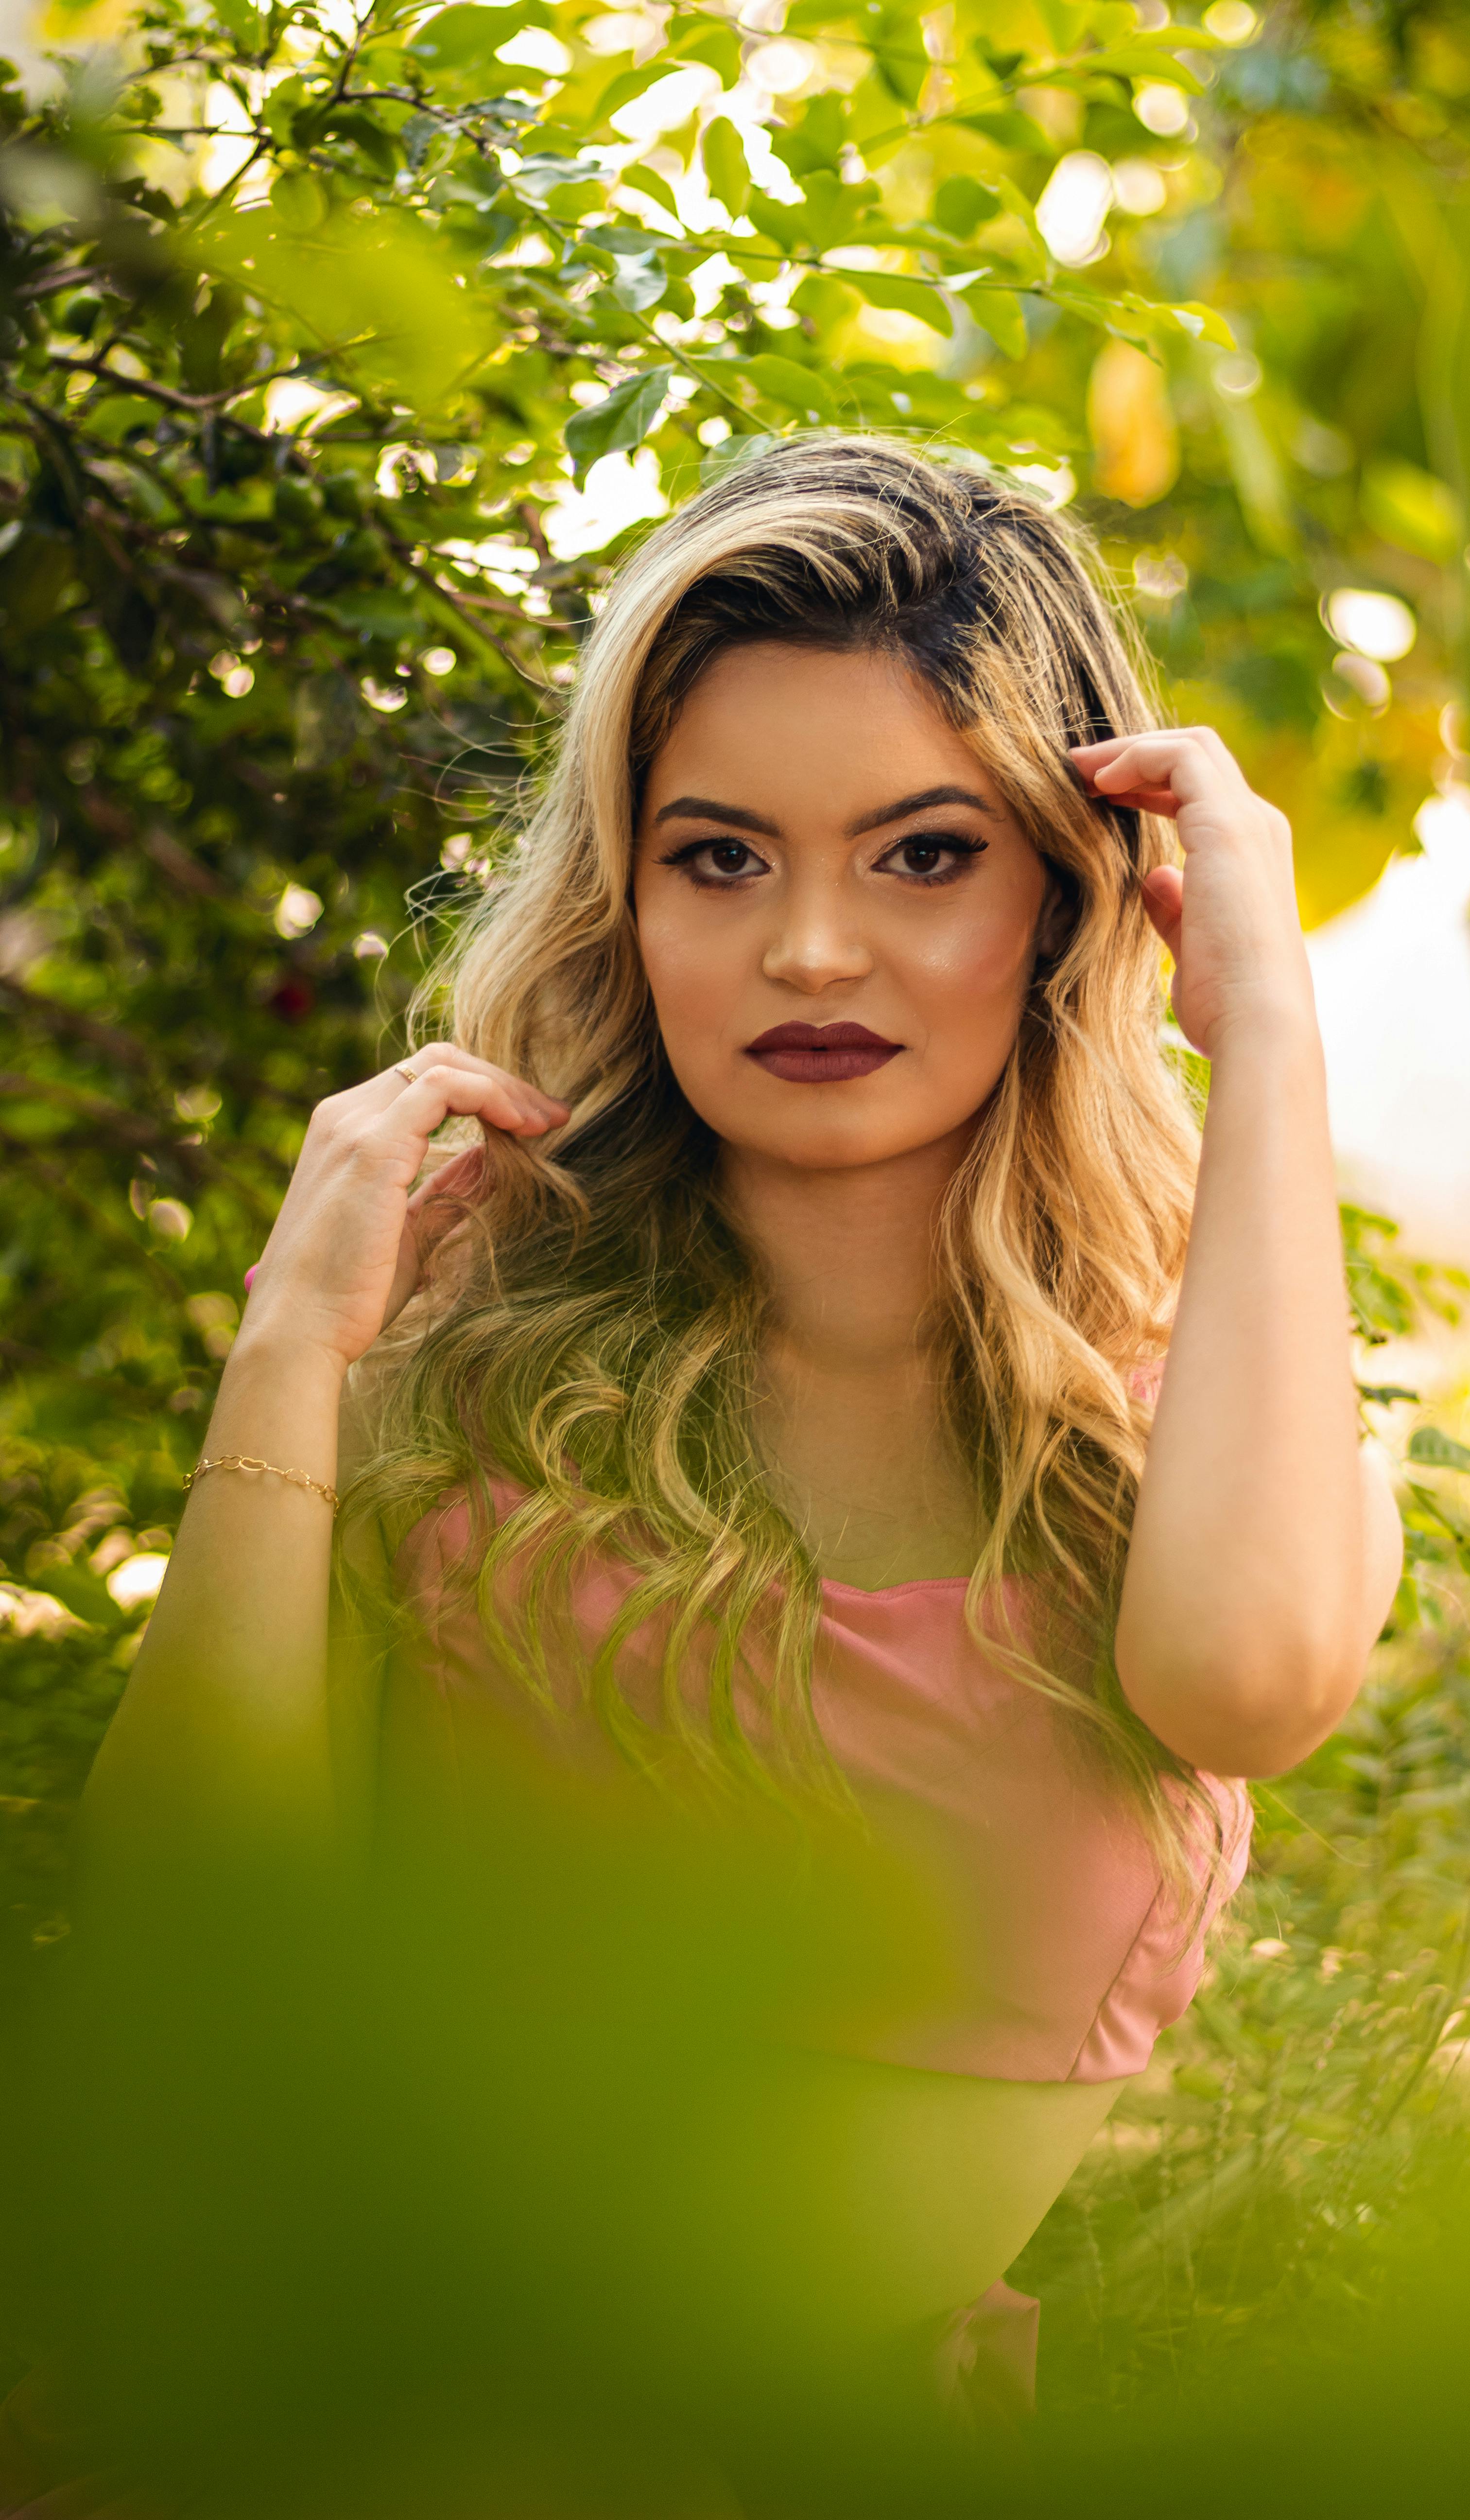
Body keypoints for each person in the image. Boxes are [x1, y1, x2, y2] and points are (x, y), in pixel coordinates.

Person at [75, 436, 1401, 2436]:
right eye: (722, 856)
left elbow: (1249, 1677)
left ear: (1074, 887)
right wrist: (290, 1358)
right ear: (634, 890)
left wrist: (1267, 1023)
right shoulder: (475, 1362)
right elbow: (194, 1936)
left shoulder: (1191, 1392)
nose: (807, 950)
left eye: (924, 854)